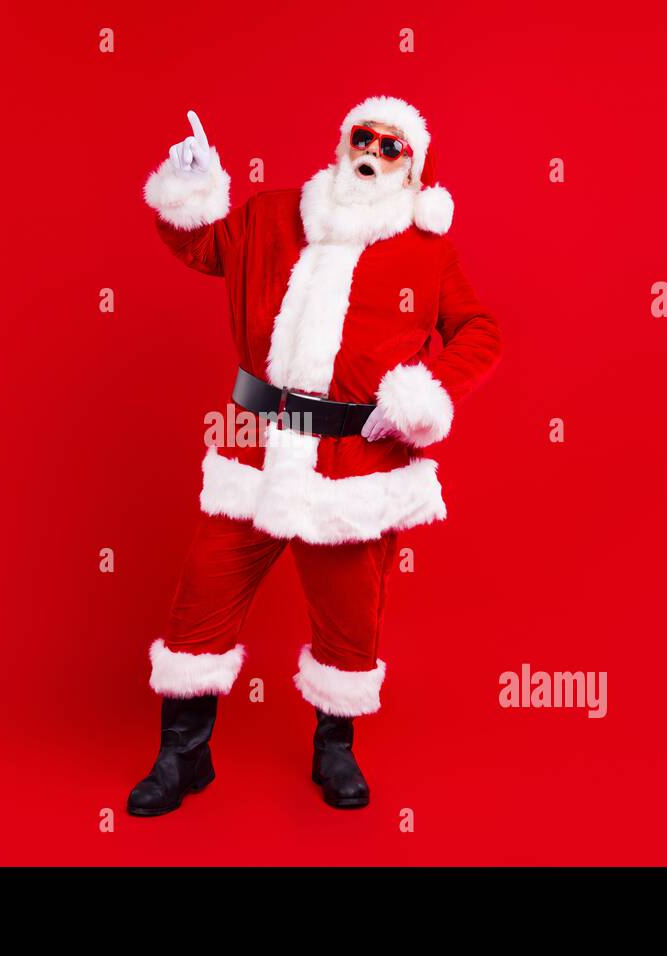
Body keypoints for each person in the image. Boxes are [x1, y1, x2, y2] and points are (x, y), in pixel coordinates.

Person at [128, 96, 503, 815]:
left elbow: (481, 331)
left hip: (352, 462)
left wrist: (428, 391)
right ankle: (183, 757)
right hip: (252, 439)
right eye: (362, 137)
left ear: (413, 169)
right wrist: (192, 182)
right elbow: (200, 245)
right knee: (200, 597)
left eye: (391, 146)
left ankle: (335, 751)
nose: (372, 151)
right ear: (341, 143)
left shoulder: (430, 254)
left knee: (349, 613)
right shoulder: (271, 216)